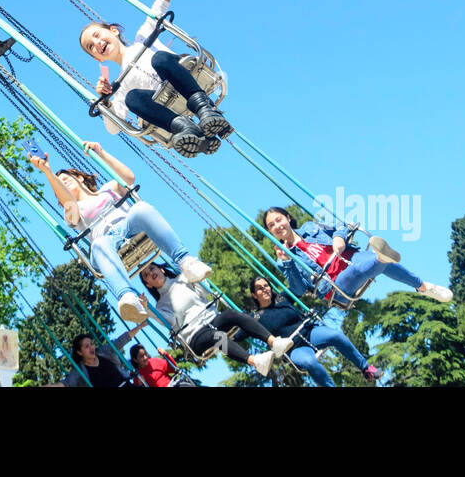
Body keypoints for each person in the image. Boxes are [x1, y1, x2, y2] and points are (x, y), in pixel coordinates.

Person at [29, 141, 211, 324]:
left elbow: (129, 178)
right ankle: (127, 297)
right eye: (59, 184)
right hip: (106, 242)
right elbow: (68, 200)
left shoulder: (109, 189)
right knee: (98, 244)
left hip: (129, 228)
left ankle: (185, 261)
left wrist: (101, 153)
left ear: (80, 178)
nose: (63, 182)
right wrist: (48, 172)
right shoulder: (72, 211)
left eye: (66, 178)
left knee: (140, 208)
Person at [80, 0, 230, 158]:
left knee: (159, 59)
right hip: (165, 106)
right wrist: (105, 100)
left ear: (113, 31)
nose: (97, 43)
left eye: (97, 35)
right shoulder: (120, 86)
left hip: (181, 79)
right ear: (98, 58)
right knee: (132, 98)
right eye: (91, 46)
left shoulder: (143, 37)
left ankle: (204, 109)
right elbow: (113, 129)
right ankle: (186, 128)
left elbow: (162, 0)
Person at [262, 208, 453, 307]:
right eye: (271, 225)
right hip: (336, 286)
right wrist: (287, 262)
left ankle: (423, 287)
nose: (277, 226)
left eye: (279, 220)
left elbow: (340, 226)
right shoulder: (284, 259)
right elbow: (298, 289)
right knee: (366, 265)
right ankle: (383, 258)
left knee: (373, 261)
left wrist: (338, 237)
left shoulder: (310, 227)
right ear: (270, 232)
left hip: (351, 257)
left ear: (288, 218)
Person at [140, 262, 292, 377]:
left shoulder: (182, 279)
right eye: (146, 275)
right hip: (195, 335)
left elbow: (205, 292)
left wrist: (193, 273)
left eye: (152, 268)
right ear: (148, 284)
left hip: (212, 319)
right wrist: (149, 311)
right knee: (216, 336)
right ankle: (254, 361)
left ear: (161, 269)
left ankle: (273, 342)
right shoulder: (160, 305)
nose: (151, 273)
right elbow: (171, 322)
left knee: (232, 314)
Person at [245, 275, 379, 386]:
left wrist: (288, 263)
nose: (265, 289)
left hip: (310, 333)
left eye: (266, 286)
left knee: (336, 335)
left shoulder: (282, 298)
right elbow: (237, 333)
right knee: (310, 362)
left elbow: (299, 287)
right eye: (259, 288)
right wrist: (230, 321)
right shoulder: (255, 318)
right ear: (254, 295)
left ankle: (366, 368)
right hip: (294, 348)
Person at [57, 322, 148, 387]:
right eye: (87, 346)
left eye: (91, 344)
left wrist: (139, 327)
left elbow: (121, 341)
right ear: (79, 352)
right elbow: (66, 383)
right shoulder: (80, 371)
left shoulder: (103, 352)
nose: (91, 348)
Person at [129, 343, 195, 388]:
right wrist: (141, 385)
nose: (145, 357)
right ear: (135, 360)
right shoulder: (138, 377)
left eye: (145, 354)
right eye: (141, 356)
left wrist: (165, 354)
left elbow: (174, 369)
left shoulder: (155, 361)